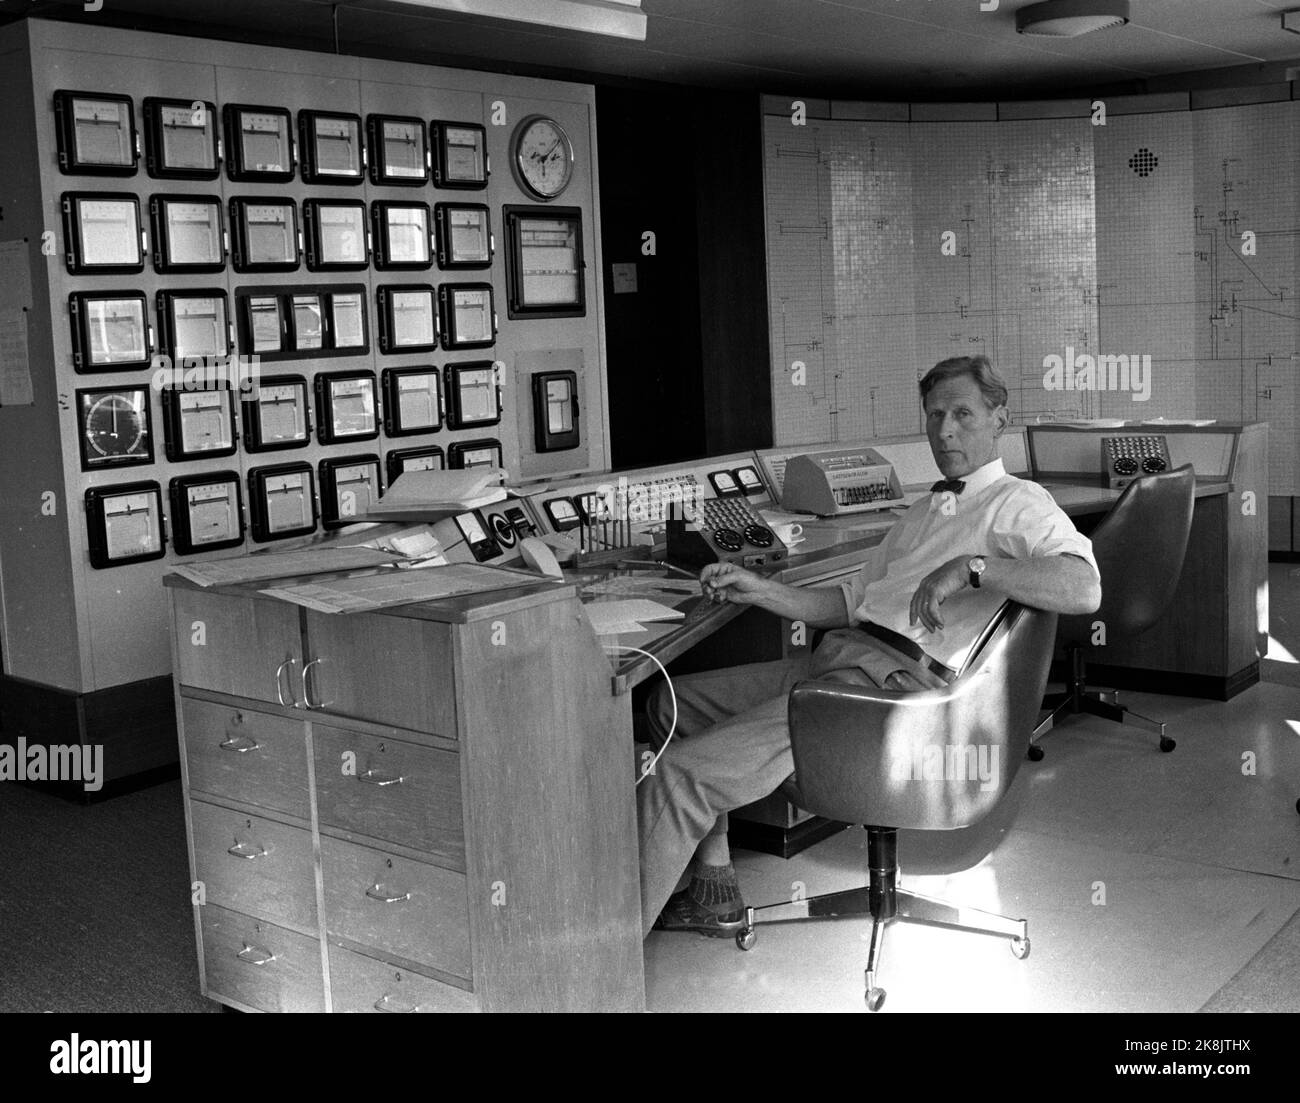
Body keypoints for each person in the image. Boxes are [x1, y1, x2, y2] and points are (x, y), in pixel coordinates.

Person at [637, 355, 1102, 937]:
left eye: (962, 413)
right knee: (668, 704)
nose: (945, 430)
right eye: (935, 416)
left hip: (882, 693)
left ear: (998, 419)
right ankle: (714, 884)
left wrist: (974, 567)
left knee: (680, 776)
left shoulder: (1017, 502)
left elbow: (1084, 588)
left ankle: (599, 973)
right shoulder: (922, 511)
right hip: (839, 660)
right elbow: (847, 605)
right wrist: (760, 590)